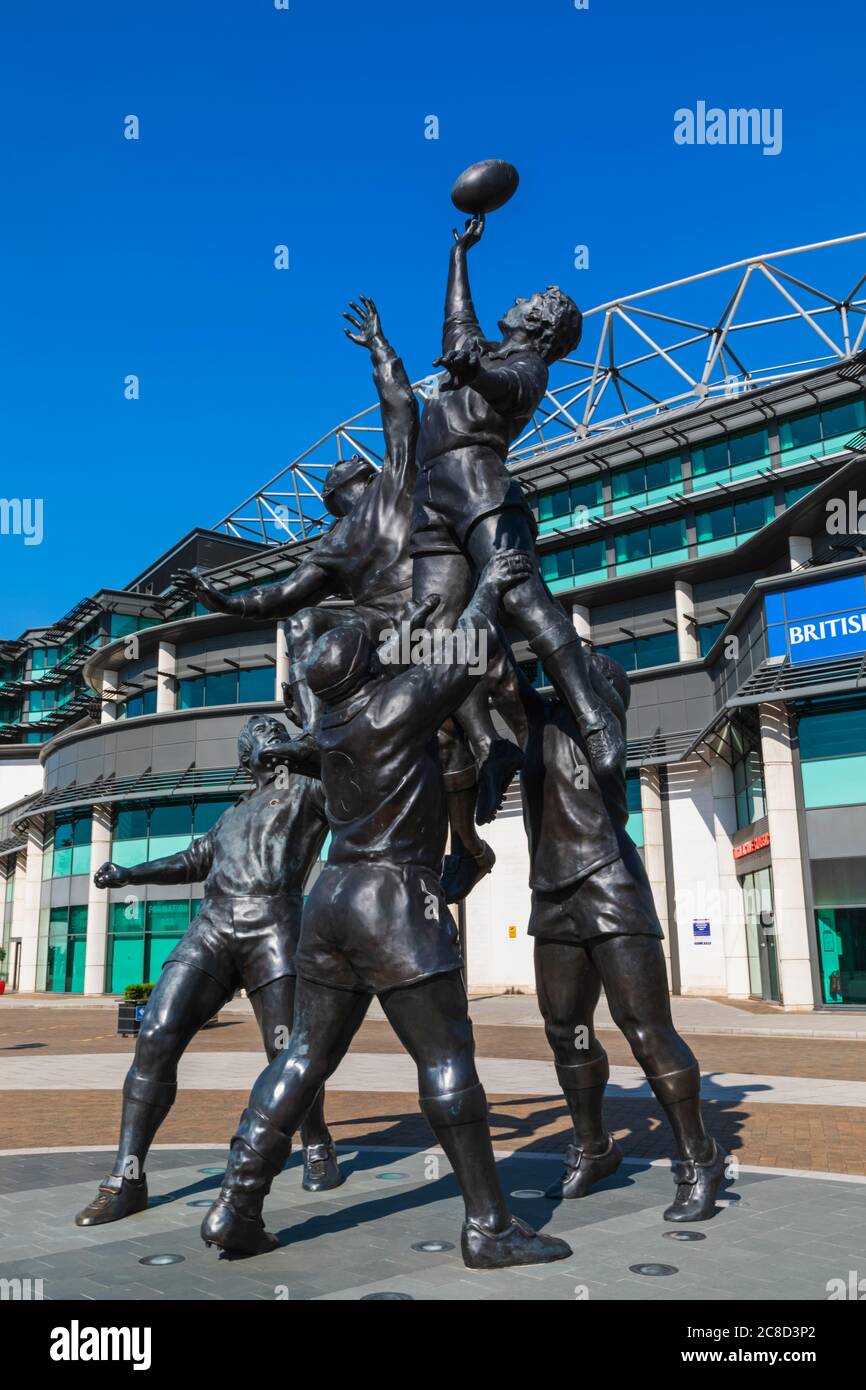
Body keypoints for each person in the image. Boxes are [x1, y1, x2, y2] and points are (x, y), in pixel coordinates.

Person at [200, 553, 572, 1270]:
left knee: (306, 1055)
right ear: (368, 666)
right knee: (445, 1057)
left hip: (329, 900)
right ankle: (491, 1227)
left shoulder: (330, 728)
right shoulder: (393, 707)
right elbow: (463, 658)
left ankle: (237, 1202)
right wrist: (490, 587)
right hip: (394, 898)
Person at [174, 297, 503, 901]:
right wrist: (380, 347)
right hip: (396, 626)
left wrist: (219, 599)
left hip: (424, 613)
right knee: (315, 629)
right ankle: (320, 730)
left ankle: (466, 823)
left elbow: (272, 599)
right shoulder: (379, 497)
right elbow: (399, 406)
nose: (359, 466)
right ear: (350, 485)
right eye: (356, 468)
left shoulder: (379, 500)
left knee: (438, 713)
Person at [74, 714, 340, 1228]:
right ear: (245, 759)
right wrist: (130, 872)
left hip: (274, 926)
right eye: (260, 730)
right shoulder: (231, 815)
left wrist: (312, 734)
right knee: (155, 1032)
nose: (271, 729)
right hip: (213, 926)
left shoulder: (310, 787)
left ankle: (316, 1141)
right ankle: (126, 1178)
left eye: (276, 727)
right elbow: (192, 860)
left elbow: (349, 774)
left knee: (287, 1051)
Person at [410, 213, 624, 786]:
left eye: (530, 299)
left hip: (480, 483)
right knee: (434, 632)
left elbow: (506, 390)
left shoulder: (526, 366)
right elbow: (458, 318)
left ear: (539, 324)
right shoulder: (478, 349)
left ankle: (591, 713)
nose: (519, 297)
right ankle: (489, 747)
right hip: (431, 496)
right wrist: (460, 255)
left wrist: (475, 369)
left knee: (525, 600)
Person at [520, 655, 727, 1221]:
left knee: (645, 1028)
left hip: (611, 883)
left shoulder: (600, 717)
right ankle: (594, 1145)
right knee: (567, 1028)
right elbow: (491, 667)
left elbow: (565, 665)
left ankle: (699, 1155)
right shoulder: (536, 721)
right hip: (552, 893)